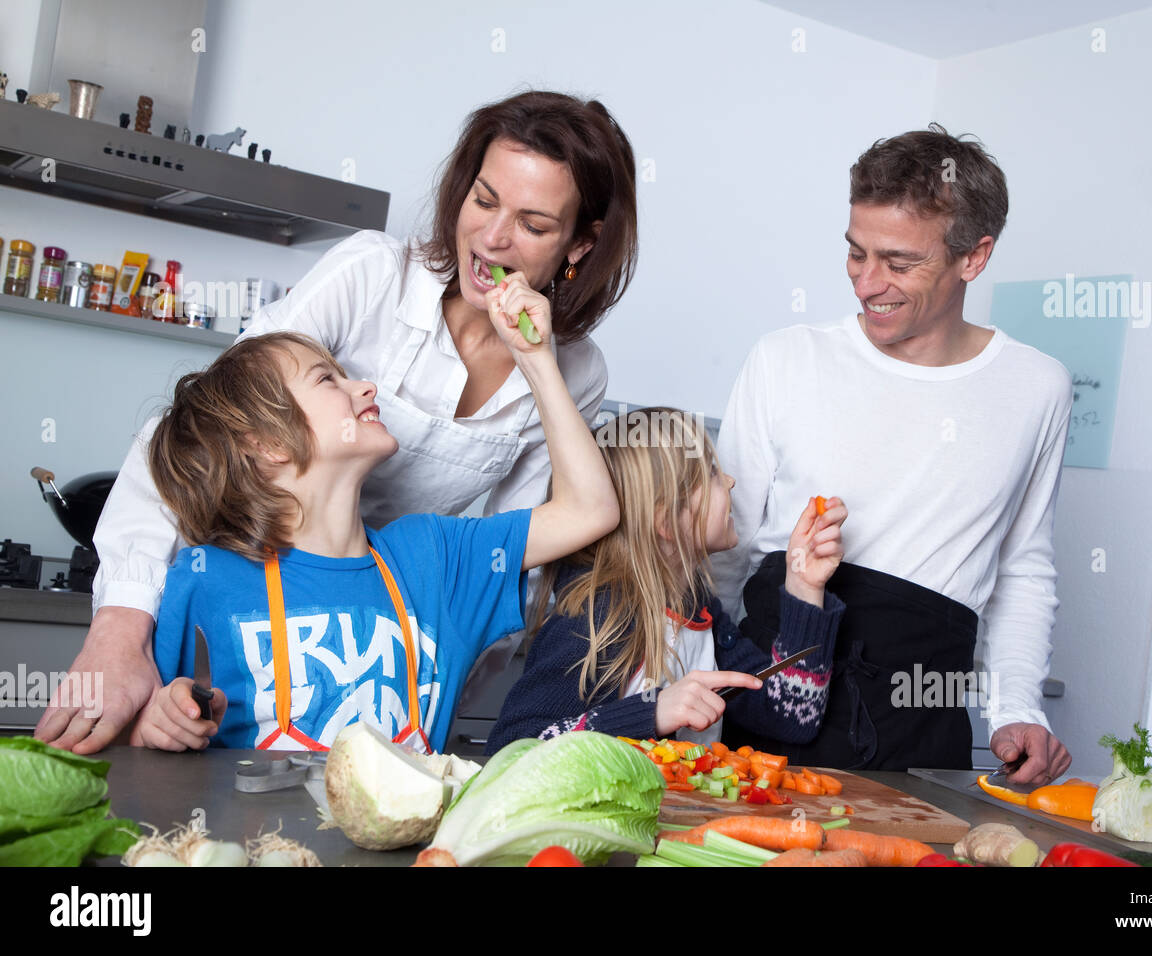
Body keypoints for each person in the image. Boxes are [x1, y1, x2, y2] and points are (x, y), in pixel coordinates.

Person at [38, 90, 639, 754]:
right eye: (484, 200)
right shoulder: (372, 276)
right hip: (262, 579)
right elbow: (216, 415)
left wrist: (424, 691)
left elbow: (514, 542)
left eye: (533, 223)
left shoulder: (574, 374)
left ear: (581, 243)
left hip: (392, 608)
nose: (493, 238)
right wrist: (119, 633)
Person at [711, 124, 1073, 787]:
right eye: (856, 253)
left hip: (920, 712)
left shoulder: (1036, 388)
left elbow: (1023, 566)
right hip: (774, 691)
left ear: (975, 256)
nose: (868, 283)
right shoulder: (786, 359)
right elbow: (725, 547)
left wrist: (1016, 707)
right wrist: (689, 690)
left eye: (900, 263)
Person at [132, 317, 617, 751]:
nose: (365, 387)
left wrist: (535, 358)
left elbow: (590, 509)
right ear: (267, 443)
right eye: (327, 379)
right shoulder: (204, 578)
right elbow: (144, 738)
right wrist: (159, 723)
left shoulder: (435, 558)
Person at [485, 408, 847, 754]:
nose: (731, 481)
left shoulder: (697, 608)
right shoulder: (597, 619)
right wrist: (651, 712)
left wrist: (804, 586)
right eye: (711, 473)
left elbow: (790, 716)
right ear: (666, 520)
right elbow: (516, 747)